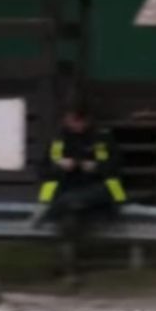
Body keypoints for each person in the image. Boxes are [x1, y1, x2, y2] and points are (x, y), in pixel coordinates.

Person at [30, 103, 127, 245]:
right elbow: (43, 170)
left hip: (97, 191)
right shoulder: (59, 140)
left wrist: (97, 167)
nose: (75, 124)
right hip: (66, 188)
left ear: (86, 120)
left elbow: (116, 167)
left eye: (78, 120)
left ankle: (48, 214)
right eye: (71, 120)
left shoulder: (102, 138)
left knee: (79, 201)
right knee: (70, 208)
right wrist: (60, 166)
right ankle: (60, 215)